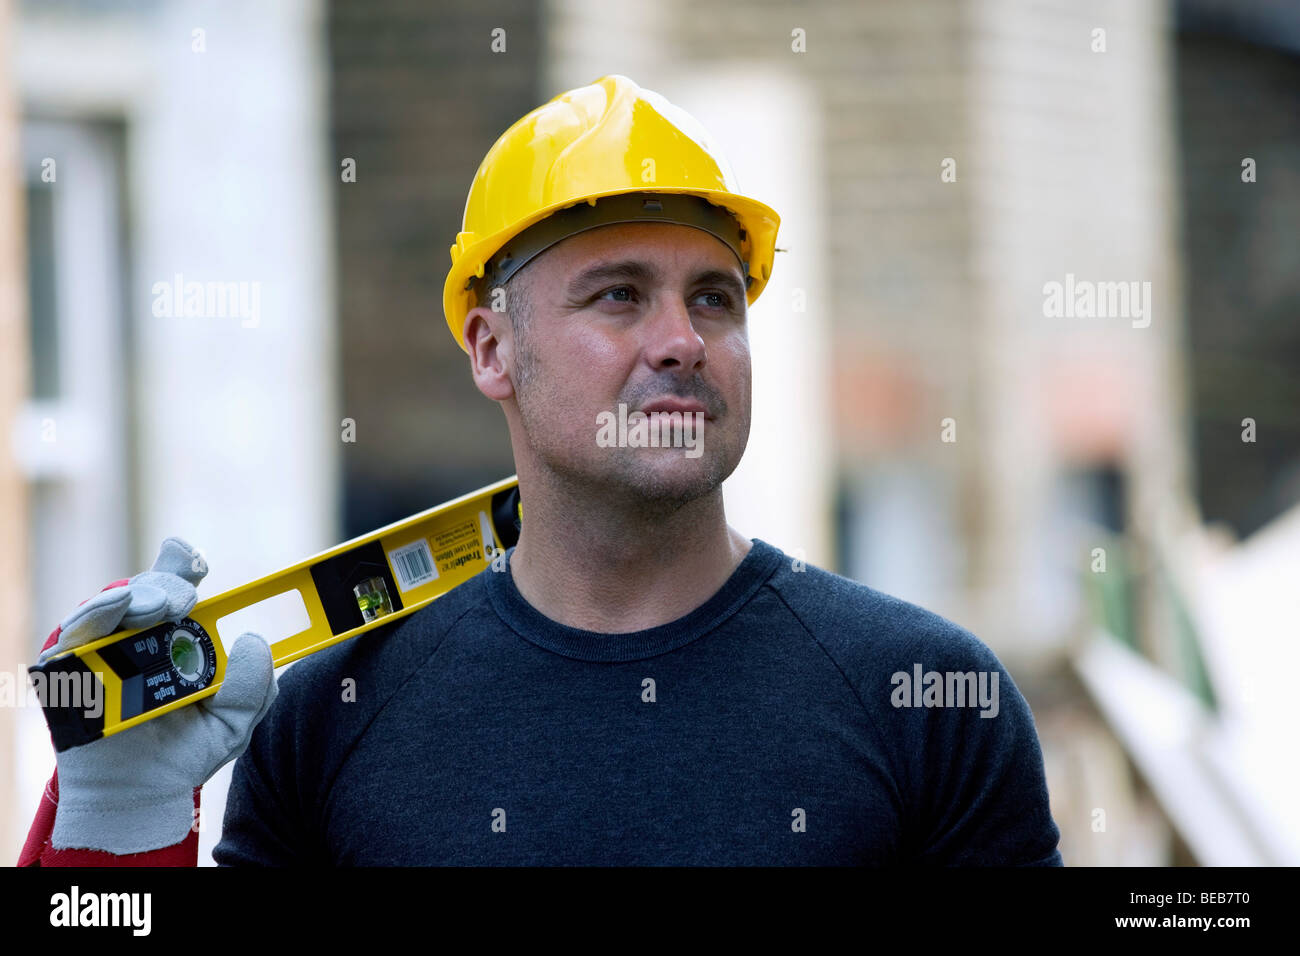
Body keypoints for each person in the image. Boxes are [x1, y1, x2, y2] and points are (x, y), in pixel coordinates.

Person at [20, 75, 1063, 866]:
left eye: (714, 297)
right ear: (490, 349)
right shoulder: (334, 715)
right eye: (617, 294)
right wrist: (113, 836)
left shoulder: (926, 704)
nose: (681, 340)